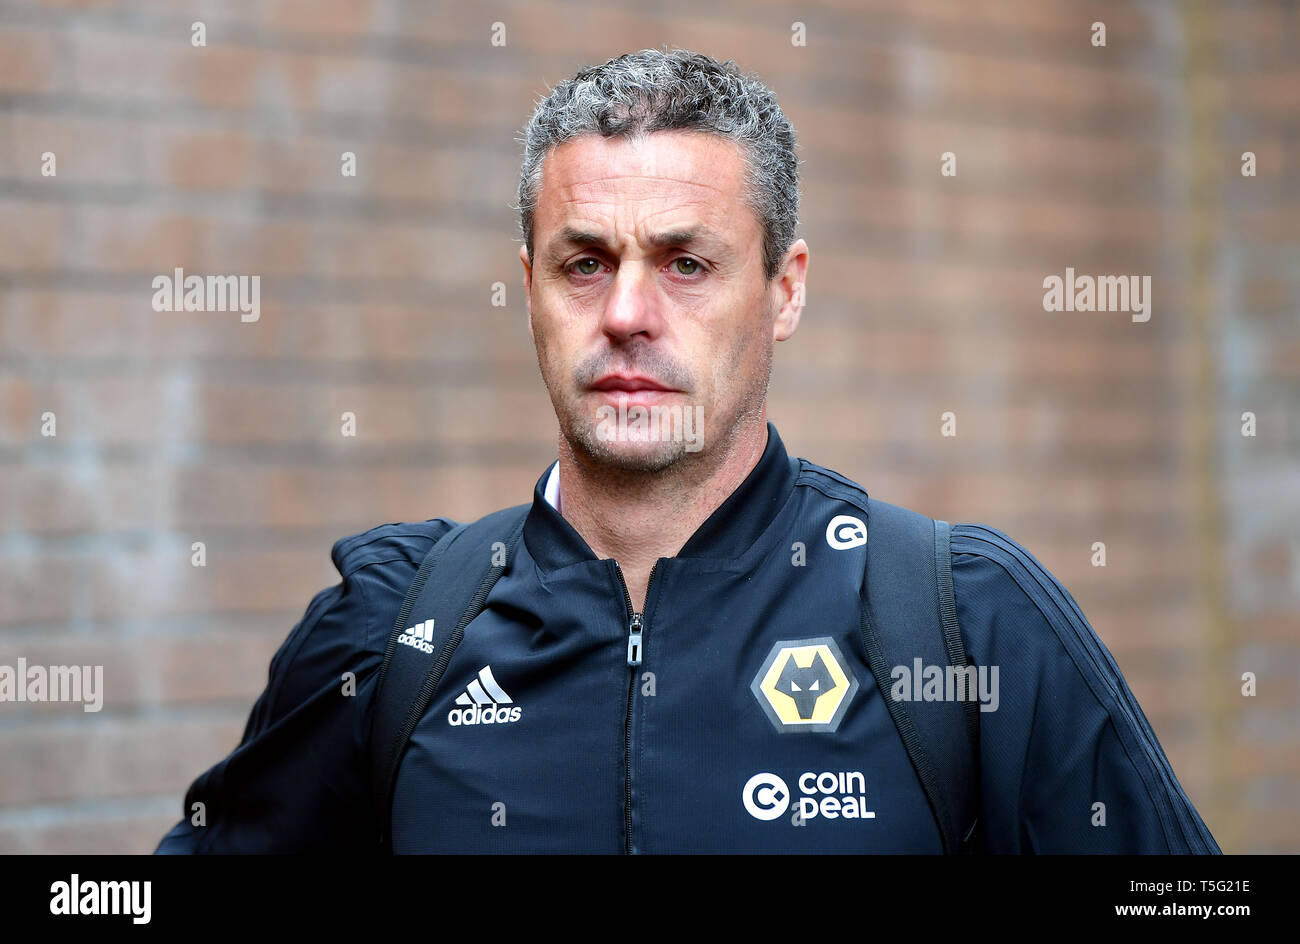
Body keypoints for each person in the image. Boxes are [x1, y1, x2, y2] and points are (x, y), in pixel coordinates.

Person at [156, 47, 1219, 854]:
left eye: (685, 263)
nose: (626, 311)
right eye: (583, 263)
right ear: (526, 282)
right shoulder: (390, 631)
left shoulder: (964, 620)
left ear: (785, 287)